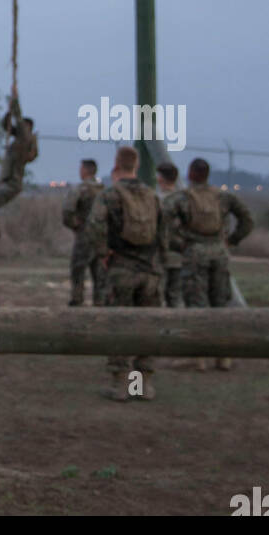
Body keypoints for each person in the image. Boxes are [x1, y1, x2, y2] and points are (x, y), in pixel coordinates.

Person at [86, 145, 165, 401]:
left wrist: (103, 253)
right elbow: (164, 234)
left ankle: (121, 385)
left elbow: (95, 227)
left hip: (120, 269)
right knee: (148, 327)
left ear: (116, 165)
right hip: (150, 272)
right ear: (137, 164)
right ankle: (144, 385)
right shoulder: (152, 196)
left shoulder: (110, 195)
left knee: (118, 325)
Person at [166, 157, 254, 370]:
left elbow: (163, 223)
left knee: (196, 305)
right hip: (220, 253)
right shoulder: (223, 196)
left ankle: (198, 357)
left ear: (189, 174)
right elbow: (247, 220)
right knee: (220, 304)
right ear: (207, 175)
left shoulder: (181, 198)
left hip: (194, 253)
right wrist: (231, 241)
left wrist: (180, 245)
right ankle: (223, 357)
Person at [0, 99, 38, 238]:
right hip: (3, 180)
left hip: (12, 182)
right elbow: (6, 126)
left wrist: (15, 104)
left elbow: (18, 123)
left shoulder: (26, 141)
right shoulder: (18, 141)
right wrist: (9, 113)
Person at [62, 159, 105, 306]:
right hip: (101, 237)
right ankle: (99, 301)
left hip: (84, 236)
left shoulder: (80, 189)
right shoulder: (104, 190)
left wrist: (75, 225)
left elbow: (67, 211)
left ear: (85, 170)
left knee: (78, 268)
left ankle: (77, 298)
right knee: (99, 272)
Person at [155, 162, 184, 308]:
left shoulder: (157, 200)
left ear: (160, 178)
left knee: (158, 295)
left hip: (160, 254)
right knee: (176, 296)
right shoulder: (185, 199)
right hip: (180, 254)